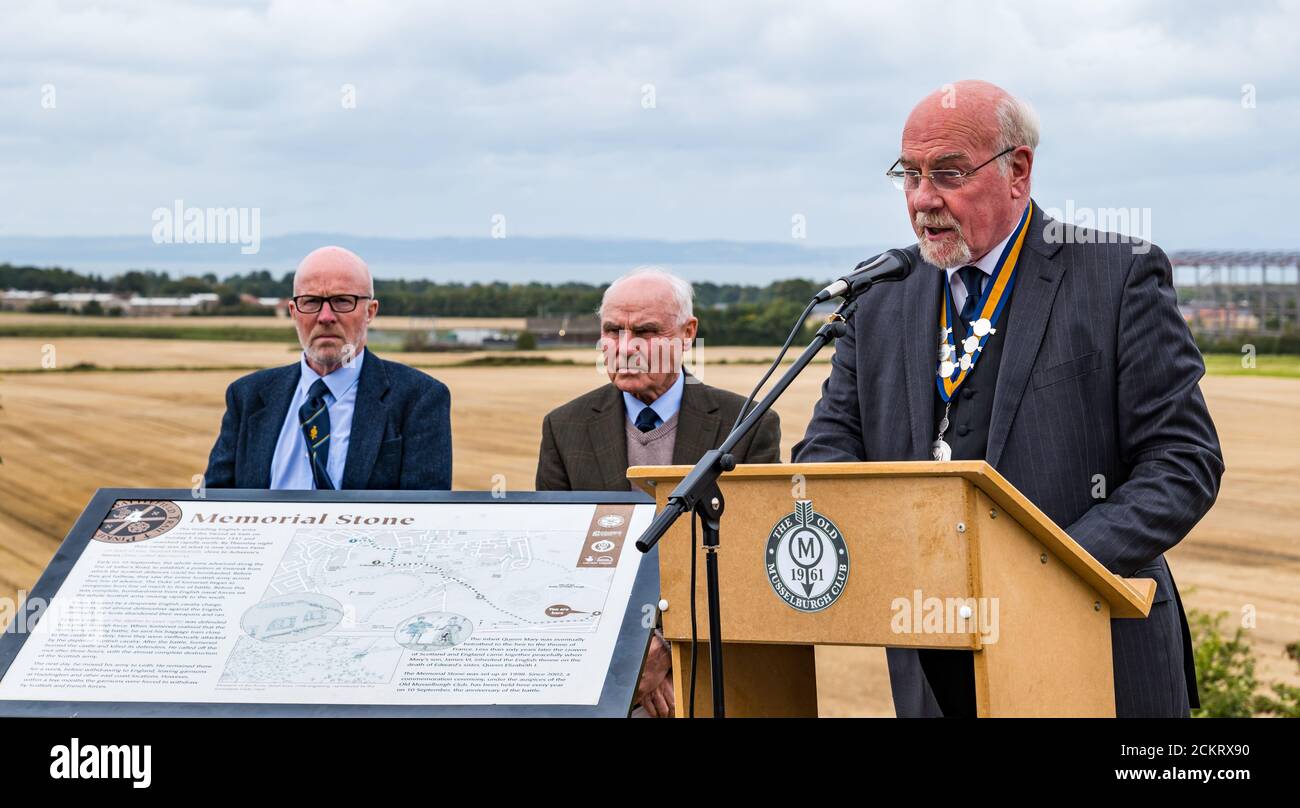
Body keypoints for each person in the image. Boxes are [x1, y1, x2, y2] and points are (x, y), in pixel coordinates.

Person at [793, 80, 1223, 717]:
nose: (922, 200)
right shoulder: (880, 291)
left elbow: (1183, 464)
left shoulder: (1119, 273)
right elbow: (829, 450)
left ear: (1017, 170)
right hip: (932, 663)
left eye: (947, 173)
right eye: (908, 175)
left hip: (1096, 650)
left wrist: (1044, 571)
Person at [537, 266, 781, 716]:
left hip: (710, 667)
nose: (625, 348)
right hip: (601, 675)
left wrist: (665, 650)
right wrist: (629, 654)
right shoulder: (563, 427)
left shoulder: (745, 425)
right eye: (612, 331)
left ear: (687, 334)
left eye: (645, 332)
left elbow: (751, 557)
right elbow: (556, 563)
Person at [204, 246, 452, 490]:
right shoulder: (247, 396)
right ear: (293, 312)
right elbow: (213, 505)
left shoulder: (420, 399)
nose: (325, 317)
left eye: (342, 301)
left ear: (370, 311)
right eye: (311, 302)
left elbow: (425, 516)